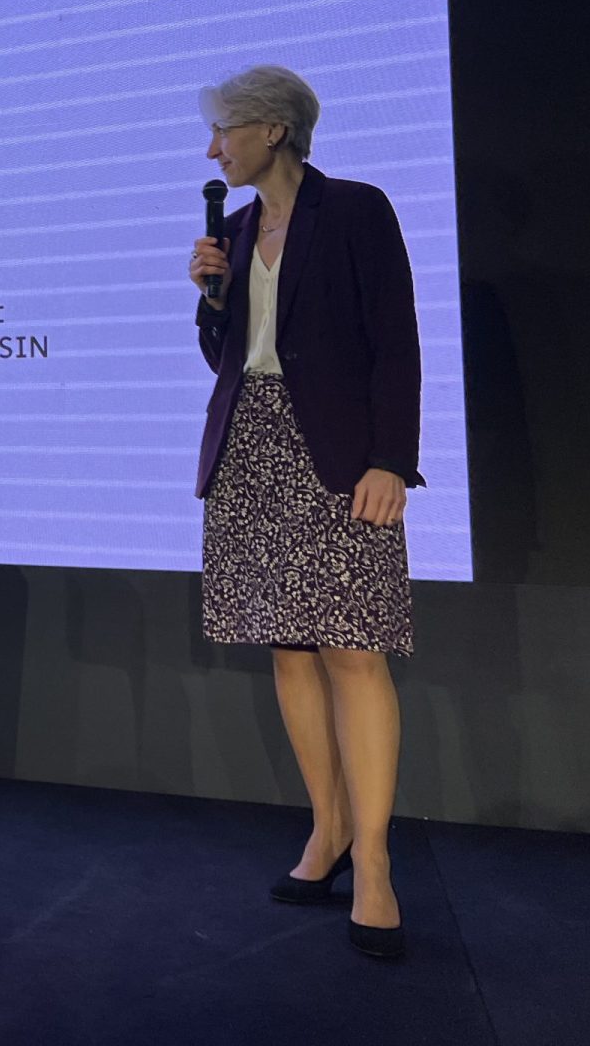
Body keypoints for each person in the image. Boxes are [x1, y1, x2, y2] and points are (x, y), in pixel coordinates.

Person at [187, 65, 421, 960]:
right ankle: (327, 831)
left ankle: (376, 865)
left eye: (226, 131)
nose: (215, 150)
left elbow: (395, 341)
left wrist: (391, 459)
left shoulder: (356, 210)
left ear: (274, 130)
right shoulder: (238, 230)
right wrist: (210, 299)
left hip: (337, 451)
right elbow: (229, 357)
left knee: (354, 651)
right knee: (289, 647)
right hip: (250, 446)